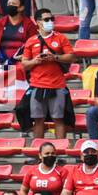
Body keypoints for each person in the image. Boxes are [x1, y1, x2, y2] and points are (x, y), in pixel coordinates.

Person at [20, 9, 75, 140]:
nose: (50, 22)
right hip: (37, 85)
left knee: (58, 119)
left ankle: (60, 151)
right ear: (38, 22)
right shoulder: (31, 41)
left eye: (51, 19)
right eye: (46, 20)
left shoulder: (60, 38)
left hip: (57, 85)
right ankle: (39, 150)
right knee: (38, 120)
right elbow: (24, 64)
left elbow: (72, 57)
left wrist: (55, 57)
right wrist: (35, 61)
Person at [0, 0, 37, 65]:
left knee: (9, 74)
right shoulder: (1, 22)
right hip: (1, 58)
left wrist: (25, 57)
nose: (10, 6)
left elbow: (33, 43)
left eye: (13, 4)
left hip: (20, 59)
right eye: (9, 4)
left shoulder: (28, 24)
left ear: (21, 8)